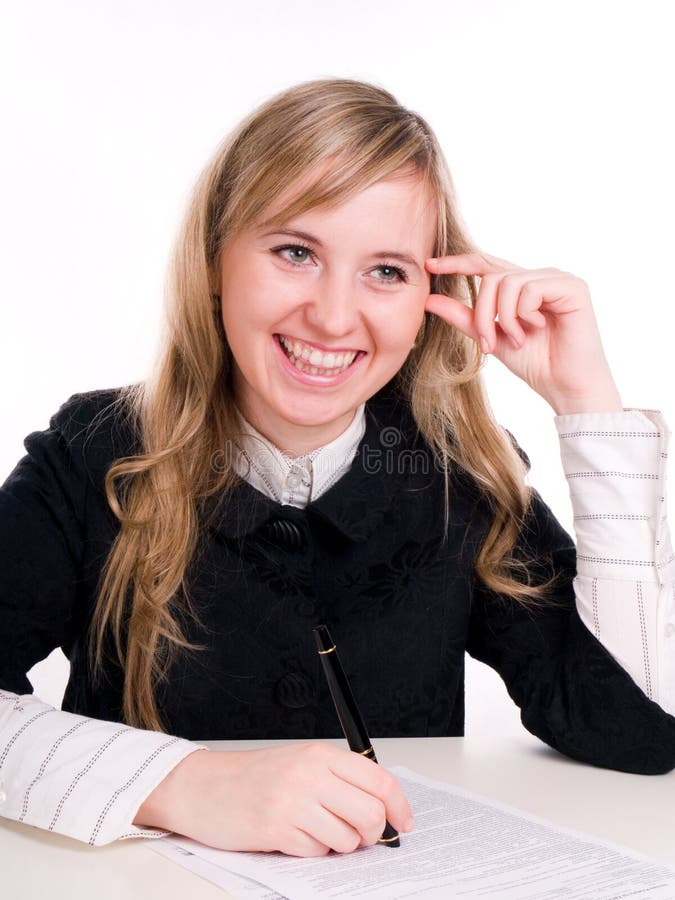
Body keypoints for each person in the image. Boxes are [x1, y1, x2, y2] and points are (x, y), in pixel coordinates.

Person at [1, 77, 674, 858]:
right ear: (217, 260)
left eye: (386, 270)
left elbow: (638, 729)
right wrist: (181, 783)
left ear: (431, 293)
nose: (330, 316)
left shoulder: (459, 481)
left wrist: (586, 402)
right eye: (295, 252)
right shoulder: (96, 455)